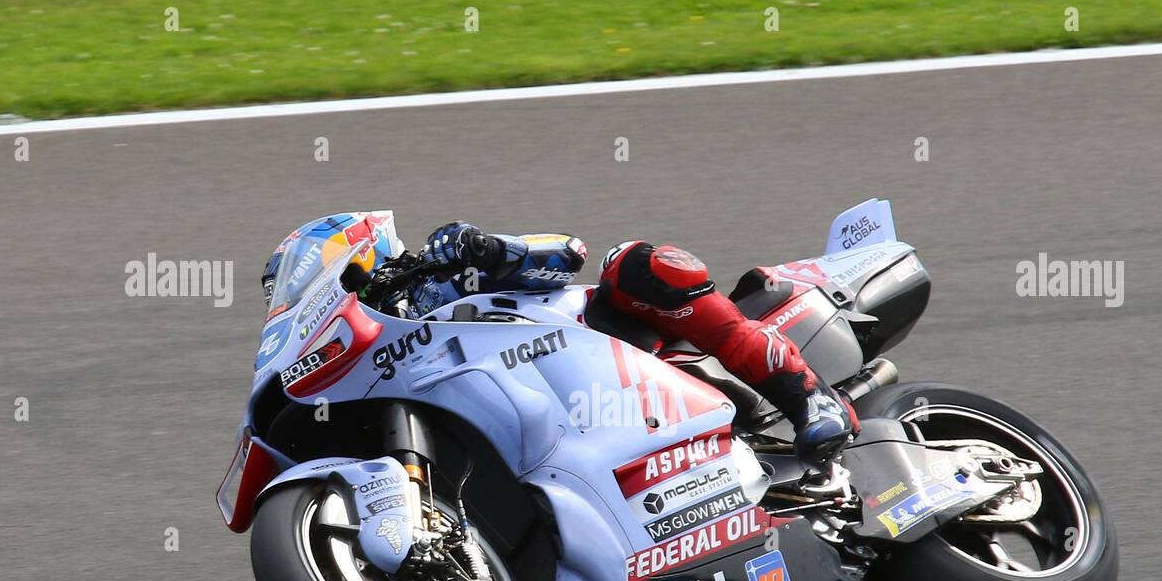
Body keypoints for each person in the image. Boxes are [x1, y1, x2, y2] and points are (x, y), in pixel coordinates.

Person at [366, 221, 859, 461]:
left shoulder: (448, 277)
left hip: (608, 340)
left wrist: (491, 250)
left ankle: (813, 402)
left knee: (638, 264)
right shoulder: (380, 365)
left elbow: (569, 253)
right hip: (571, 425)